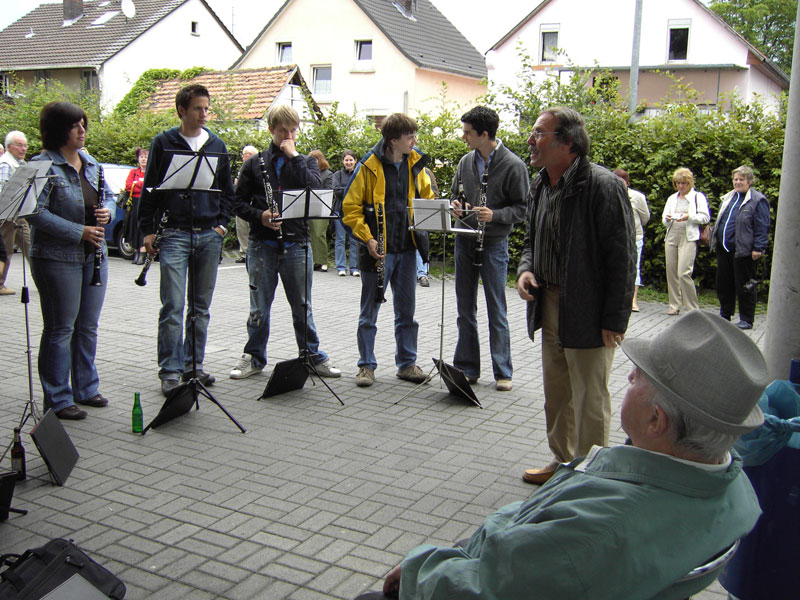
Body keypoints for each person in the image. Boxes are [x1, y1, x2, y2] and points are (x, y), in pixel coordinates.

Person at [354, 311, 767, 600]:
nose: (628, 375)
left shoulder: (599, 531)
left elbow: (484, 589)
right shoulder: (731, 486)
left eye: (641, 375)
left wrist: (420, 570)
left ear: (657, 420)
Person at [516, 107, 635, 484]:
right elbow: (532, 241)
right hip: (548, 304)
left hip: (588, 309)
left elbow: (623, 257)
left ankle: (590, 476)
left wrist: (614, 319)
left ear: (567, 142)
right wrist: (525, 269)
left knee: (590, 399)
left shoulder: (602, 186)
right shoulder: (540, 184)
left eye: (539, 133)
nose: (531, 141)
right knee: (557, 395)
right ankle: (563, 462)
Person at [228, 105, 340, 381]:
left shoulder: (307, 162)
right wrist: (261, 216)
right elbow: (237, 202)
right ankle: (254, 356)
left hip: (296, 242)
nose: (288, 136)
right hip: (262, 244)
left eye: (293, 130)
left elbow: (317, 189)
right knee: (259, 306)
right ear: (271, 130)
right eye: (282, 131)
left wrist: (295, 157)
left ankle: (311, 355)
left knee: (302, 305)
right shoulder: (254, 163)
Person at [138, 84, 234, 396]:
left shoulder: (217, 145)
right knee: (173, 305)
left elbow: (226, 193)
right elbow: (150, 189)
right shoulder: (164, 142)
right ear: (182, 110)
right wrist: (147, 231)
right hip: (175, 233)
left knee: (201, 307)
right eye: (198, 108)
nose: (204, 114)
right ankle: (170, 370)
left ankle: (194, 365)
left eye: (207, 108)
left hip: (209, 234)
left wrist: (221, 226)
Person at [27, 102, 115, 420]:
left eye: (84, 124)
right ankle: (58, 397)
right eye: (75, 125)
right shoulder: (40, 165)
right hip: (56, 257)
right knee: (60, 328)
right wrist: (79, 231)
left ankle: (86, 388)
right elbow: (32, 211)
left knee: (87, 327)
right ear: (57, 130)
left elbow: (109, 198)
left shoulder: (90, 162)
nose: (82, 131)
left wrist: (109, 212)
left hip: (94, 255)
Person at [342, 113, 434, 387]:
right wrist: (368, 239)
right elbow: (349, 210)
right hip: (377, 251)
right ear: (393, 140)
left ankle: (407, 364)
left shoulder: (416, 163)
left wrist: (441, 210)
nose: (414, 141)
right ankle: (366, 366)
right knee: (369, 312)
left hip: (407, 250)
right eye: (410, 137)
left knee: (407, 312)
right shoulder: (367, 166)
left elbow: (427, 200)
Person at [450, 106, 528, 391]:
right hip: (465, 241)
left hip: (494, 243)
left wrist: (495, 215)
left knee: (497, 309)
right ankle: (468, 368)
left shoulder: (514, 165)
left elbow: (522, 208)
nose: (464, 137)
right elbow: (454, 196)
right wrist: (456, 208)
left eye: (468, 132)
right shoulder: (465, 161)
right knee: (464, 308)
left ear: (485, 134)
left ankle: (503, 371)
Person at [711, 165, 770, 330]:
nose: (737, 182)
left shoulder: (758, 200)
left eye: (741, 179)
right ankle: (725, 314)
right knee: (724, 284)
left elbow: (762, 226)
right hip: (724, 249)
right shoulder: (730, 197)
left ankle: (746, 319)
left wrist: (758, 247)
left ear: (749, 181)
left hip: (743, 251)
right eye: (735, 179)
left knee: (745, 286)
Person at [661, 167, 710, 315]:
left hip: (688, 236)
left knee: (684, 272)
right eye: (678, 183)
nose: (681, 186)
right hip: (672, 234)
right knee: (671, 271)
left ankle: (692, 308)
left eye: (684, 183)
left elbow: (705, 217)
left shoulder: (697, 197)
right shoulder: (672, 198)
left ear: (689, 183)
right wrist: (668, 219)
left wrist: (689, 216)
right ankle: (674, 304)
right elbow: (664, 219)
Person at [613, 168, 650, 312]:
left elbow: (645, 218)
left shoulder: (637, 197)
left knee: (634, 267)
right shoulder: (609, 194)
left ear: (627, 183)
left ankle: (633, 300)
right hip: (615, 237)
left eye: (622, 182)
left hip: (635, 237)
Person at [0, 130, 31, 296]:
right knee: (6, 250)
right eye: (20, 145)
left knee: (29, 245)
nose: (24, 148)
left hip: (19, 213)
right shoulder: (6, 164)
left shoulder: (20, 163)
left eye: (25, 145)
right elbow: (3, 190)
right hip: (7, 214)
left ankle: (44, 279)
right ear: (9, 146)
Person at [332, 150, 360, 277]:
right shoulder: (337, 174)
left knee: (354, 240)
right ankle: (341, 266)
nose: (349, 162)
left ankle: (354, 267)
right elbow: (336, 191)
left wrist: (347, 190)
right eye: (346, 160)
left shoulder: (359, 174)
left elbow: (360, 191)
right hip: (339, 209)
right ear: (343, 161)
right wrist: (351, 190)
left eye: (351, 160)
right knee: (340, 239)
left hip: (355, 210)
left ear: (355, 161)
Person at [308, 149, 332, 272]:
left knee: (319, 234)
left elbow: (329, 190)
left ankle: (323, 261)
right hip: (311, 207)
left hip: (323, 208)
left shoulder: (328, 174)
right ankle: (315, 261)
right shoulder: (310, 173)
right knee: (312, 234)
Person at [124, 147, 148, 265]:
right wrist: (140, 185)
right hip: (134, 202)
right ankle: (136, 252)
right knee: (135, 227)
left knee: (143, 227)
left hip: (145, 203)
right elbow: (128, 186)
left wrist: (137, 184)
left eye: (145, 157)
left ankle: (143, 254)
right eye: (141, 157)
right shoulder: (133, 172)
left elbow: (148, 187)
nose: (143, 159)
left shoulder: (150, 172)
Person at [234, 145, 258, 263]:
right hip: (242, 203)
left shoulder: (258, 166)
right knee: (241, 227)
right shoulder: (241, 168)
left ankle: (252, 252)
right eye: (245, 154)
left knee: (251, 227)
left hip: (254, 203)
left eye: (249, 154)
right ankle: (244, 252)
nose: (246, 156)